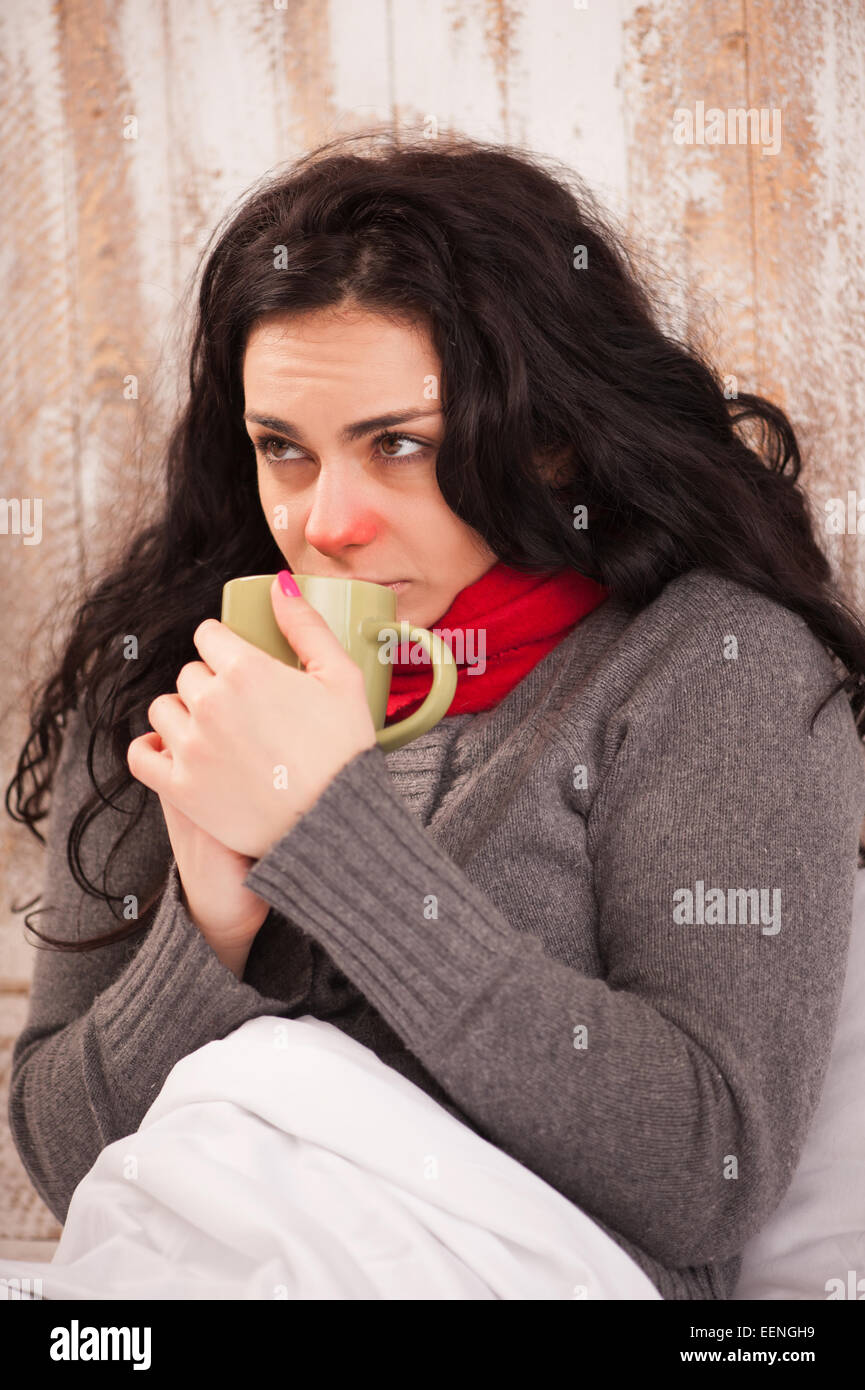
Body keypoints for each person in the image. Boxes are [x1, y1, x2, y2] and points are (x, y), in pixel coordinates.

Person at [7, 129, 865, 1302]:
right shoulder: (178, 677)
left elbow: (705, 1168)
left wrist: (331, 838)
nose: (327, 522)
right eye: (283, 450)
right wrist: (207, 914)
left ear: (550, 437)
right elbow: (77, 1176)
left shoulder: (707, 669)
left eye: (397, 444)